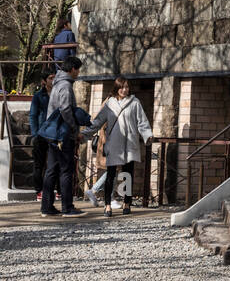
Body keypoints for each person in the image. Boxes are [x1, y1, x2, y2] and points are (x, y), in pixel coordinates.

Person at [89, 77, 152, 216]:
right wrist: (85, 133)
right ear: (116, 88)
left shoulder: (135, 102)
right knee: (110, 174)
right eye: (122, 87)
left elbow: (142, 121)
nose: (125, 90)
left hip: (130, 143)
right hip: (114, 143)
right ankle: (107, 205)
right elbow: (98, 121)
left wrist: (147, 135)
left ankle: (127, 203)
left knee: (127, 175)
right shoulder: (109, 103)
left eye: (127, 87)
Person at [40, 57, 87, 218]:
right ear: (72, 69)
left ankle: (46, 207)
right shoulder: (66, 85)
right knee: (66, 170)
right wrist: (74, 129)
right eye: (78, 69)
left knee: (51, 170)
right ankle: (67, 207)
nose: (79, 72)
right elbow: (65, 109)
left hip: (52, 133)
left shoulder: (56, 84)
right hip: (62, 134)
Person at [29, 71, 55, 201]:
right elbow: (33, 115)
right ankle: (39, 191)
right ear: (44, 81)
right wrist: (35, 133)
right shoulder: (39, 96)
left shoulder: (58, 95)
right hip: (41, 133)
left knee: (53, 164)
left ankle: (51, 189)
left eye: (55, 77)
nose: (53, 80)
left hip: (55, 133)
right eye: (50, 78)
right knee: (39, 164)